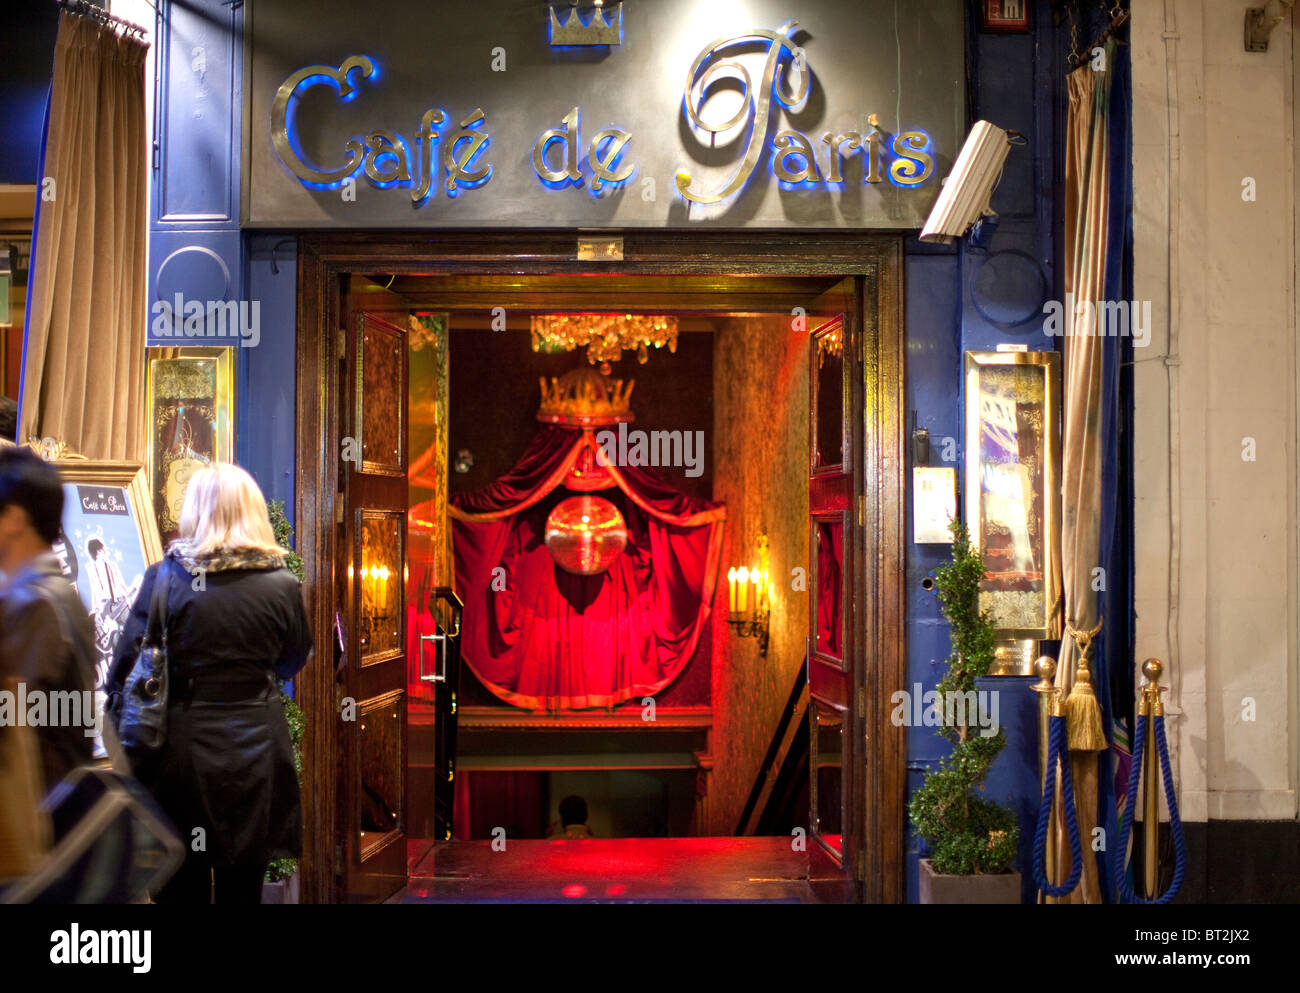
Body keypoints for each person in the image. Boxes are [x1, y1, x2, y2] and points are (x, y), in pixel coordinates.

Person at [108, 463, 311, 904]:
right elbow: (292, 660)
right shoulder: (282, 585)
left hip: (180, 749)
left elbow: (125, 665)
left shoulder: (165, 579)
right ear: (253, 510)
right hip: (257, 746)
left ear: (195, 512)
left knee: (181, 880)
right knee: (244, 881)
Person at [0, 446, 97, 794]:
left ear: (14, 519)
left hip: (37, 814)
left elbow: (12, 727)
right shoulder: (57, 593)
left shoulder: (33, 603)